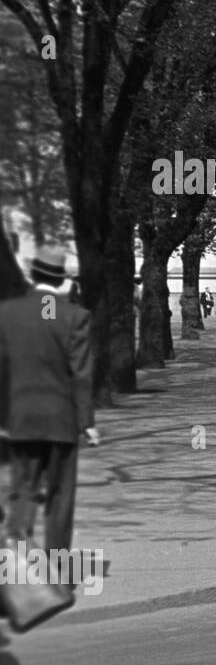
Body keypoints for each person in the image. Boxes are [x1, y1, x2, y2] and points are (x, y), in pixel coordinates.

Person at [0, 247, 99, 602]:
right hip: (60, 420)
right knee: (60, 498)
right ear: (61, 280)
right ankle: (57, 577)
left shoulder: (8, 314)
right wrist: (86, 421)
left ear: (31, 274)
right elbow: (82, 374)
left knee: (22, 493)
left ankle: (15, 579)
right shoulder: (73, 316)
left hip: (20, 419)